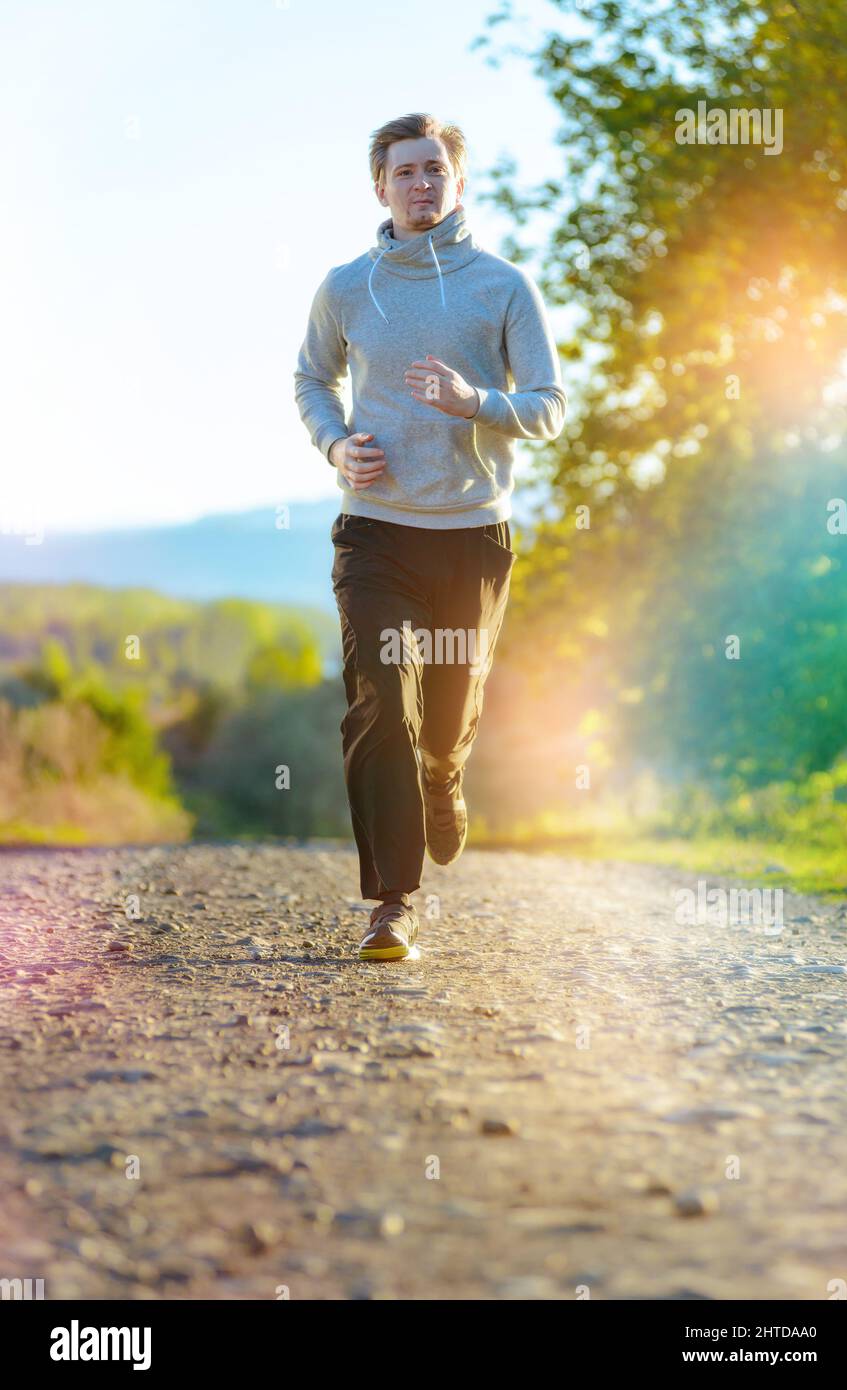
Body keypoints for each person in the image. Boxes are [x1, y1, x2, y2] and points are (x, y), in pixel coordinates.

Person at [294, 112, 567, 960]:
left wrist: (474, 402)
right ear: (379, 187)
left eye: (433, 171)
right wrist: (336, 442)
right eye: (404, 172)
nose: (420, 185)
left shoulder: (502, 286)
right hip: (374, 534)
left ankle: (445, 777)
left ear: (457, 183)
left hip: (471, 538)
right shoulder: (346, 286)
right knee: (379, 701)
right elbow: (310, 378)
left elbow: (549, 406)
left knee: (442, 723)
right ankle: (393, 905)